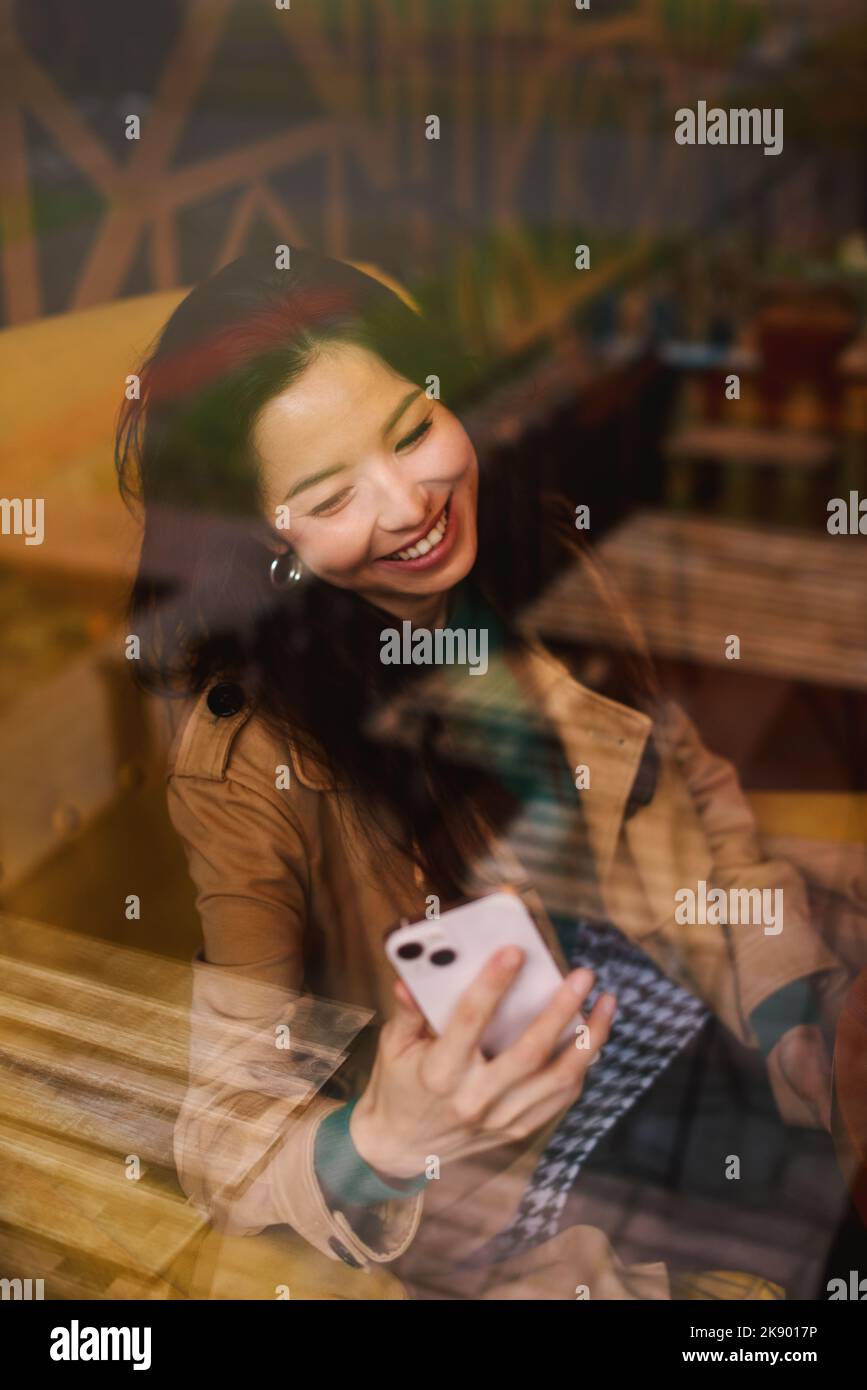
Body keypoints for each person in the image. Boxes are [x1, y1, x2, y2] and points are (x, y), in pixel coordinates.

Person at [115, 249, 852, 1300]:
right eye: (330, 497)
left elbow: (699, 798)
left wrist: (784, 1019)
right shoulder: (250, 756)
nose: (411, 504)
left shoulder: (539, 555)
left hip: (700, 1033)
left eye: (415, 431)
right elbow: (227, 1123)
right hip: (525, 1172)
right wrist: (382, 1134)